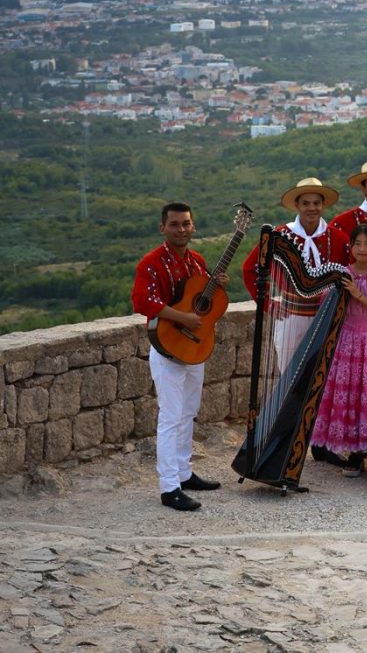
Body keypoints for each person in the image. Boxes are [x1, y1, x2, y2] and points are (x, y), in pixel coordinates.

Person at [131, 202, 226, 512]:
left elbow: (205, 296)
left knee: (188, 412)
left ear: (193, 226)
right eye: (175, 224)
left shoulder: (197, 261)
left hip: (194, 349)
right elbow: (142, 300)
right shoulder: (151, 262)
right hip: (167, 348)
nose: (181, 229)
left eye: (186, 223)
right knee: (171, 417)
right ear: (163, 228)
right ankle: (168, 487)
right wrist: (183, 319)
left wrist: (219, 286)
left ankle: (184, 473)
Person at [309, 224, 367, 475]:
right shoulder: (342, 273)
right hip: (348, 341)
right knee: (352, 396)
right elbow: (327, 305)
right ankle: (354, 453)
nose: (362, 249)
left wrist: (359, 295)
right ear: (350, 246)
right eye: (357, 243)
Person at [240, 177, 351, 374]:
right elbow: (249, 269)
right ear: (297, 206)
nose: (312, 208)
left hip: (327, 316)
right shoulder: (280, 236)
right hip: (291, 316)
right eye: (306, 203)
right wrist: (267, 303)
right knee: (289, 374)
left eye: (316, 203)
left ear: (323, 205)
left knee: (327, 375)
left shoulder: (339, 238)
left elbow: (349, 275)